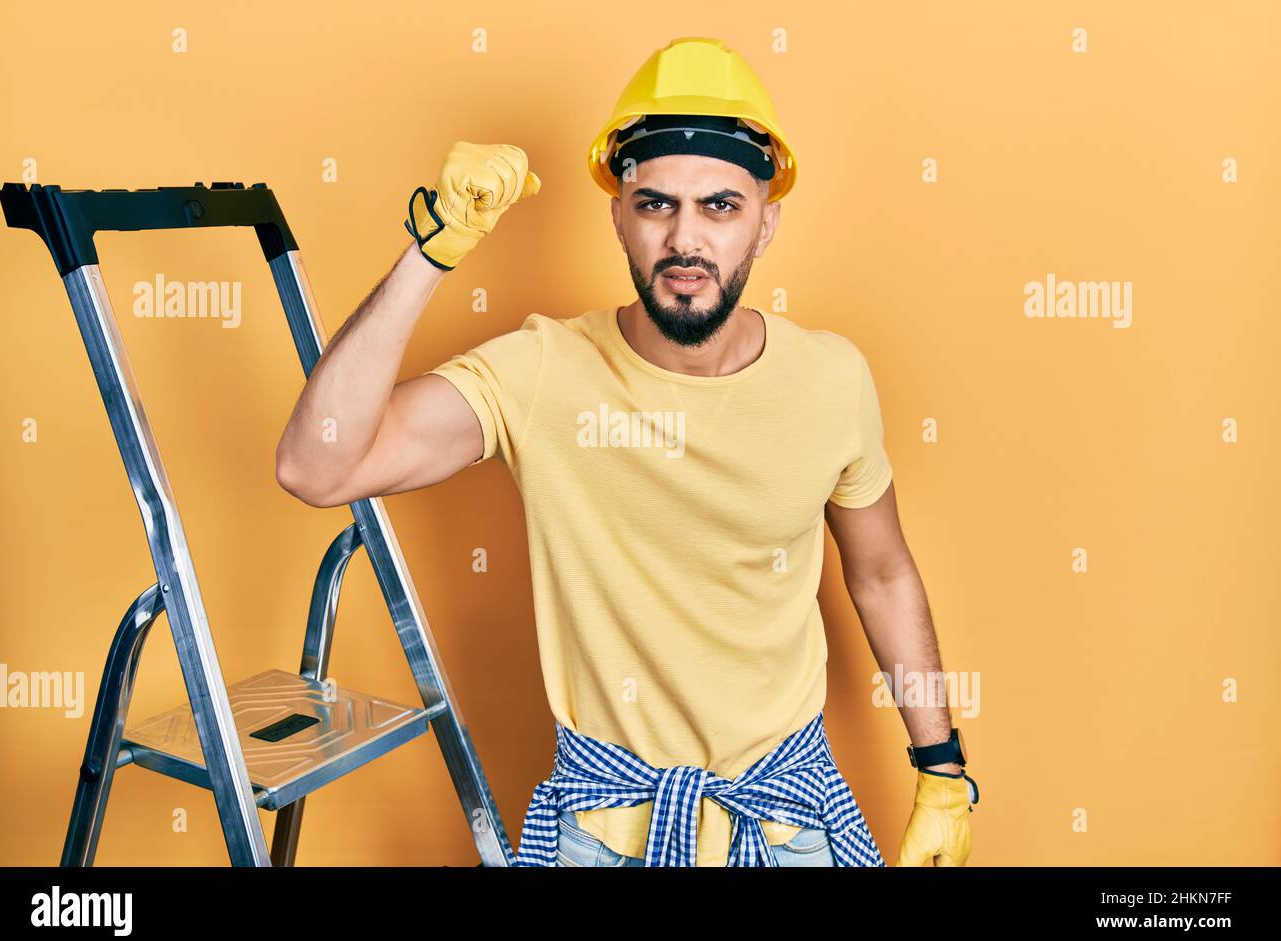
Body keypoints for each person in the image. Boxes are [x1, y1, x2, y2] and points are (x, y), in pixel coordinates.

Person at [274, 36, 978, 867]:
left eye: (720, 206)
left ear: (766, 220)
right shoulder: (542, 372)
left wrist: (942, 770)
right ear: (617, 213)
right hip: (605, 830)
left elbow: (883, 571)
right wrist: (435, 247)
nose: (686, 240)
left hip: (788, 821)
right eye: (655, 205)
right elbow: (315, 467)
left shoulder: (832, 379)